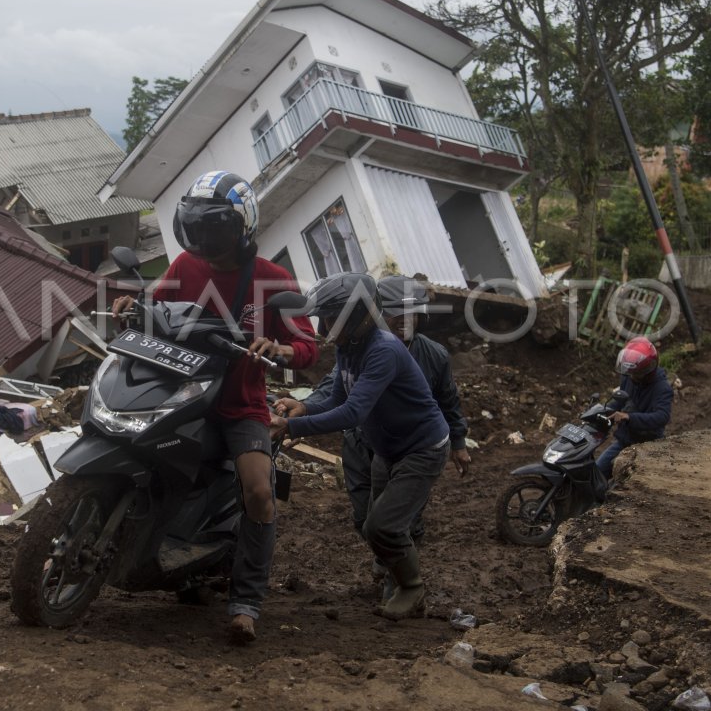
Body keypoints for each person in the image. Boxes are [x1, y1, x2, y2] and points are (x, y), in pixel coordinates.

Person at [111, 170, 317, 644]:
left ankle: (246, 601)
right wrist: (132, 306)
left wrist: (281, 350)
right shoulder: (185, 265)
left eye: (214, 227)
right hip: (179, 392)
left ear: (241, 227)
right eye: (196, 226)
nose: (203, 237)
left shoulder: (275, 279)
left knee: (260, 492)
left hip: (239, 407)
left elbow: (308, 346)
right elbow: (155, 311)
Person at [270, 273, 449, 621]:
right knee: (370, 523)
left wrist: (292, 426)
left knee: (383, 526)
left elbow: (353, 411)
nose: (324, 326)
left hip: (422, 448)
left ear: (359, 315)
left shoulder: (383, 350)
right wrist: (304, 407)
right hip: (387, 448)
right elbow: (338, 395)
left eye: (331, 317)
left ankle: (412, 588)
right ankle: (398, 585)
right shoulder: (348, 347)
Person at [305, 275, 469, 545]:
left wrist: (459, 443)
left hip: (408, 446)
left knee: (402, 519)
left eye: (411, 315)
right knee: (363, 516)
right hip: (362, 441)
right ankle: (388, 565)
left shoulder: (435, 356)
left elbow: (447, 401)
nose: (405, 321)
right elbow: (333, 388)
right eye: (396, 315)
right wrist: (305, 412)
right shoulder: (359, 349)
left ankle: (399, 576)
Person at [595, 336, 673, 481]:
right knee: (596, 473)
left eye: (636, 374)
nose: (632, 377)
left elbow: (662, 416)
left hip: (647, 445)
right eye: (631, 373)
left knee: (623, 484)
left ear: (648, 370)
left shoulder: (662, 388)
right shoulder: (629, 377)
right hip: (624, 441)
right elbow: (619, 402)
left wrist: (629, 417)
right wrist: (600, 411)